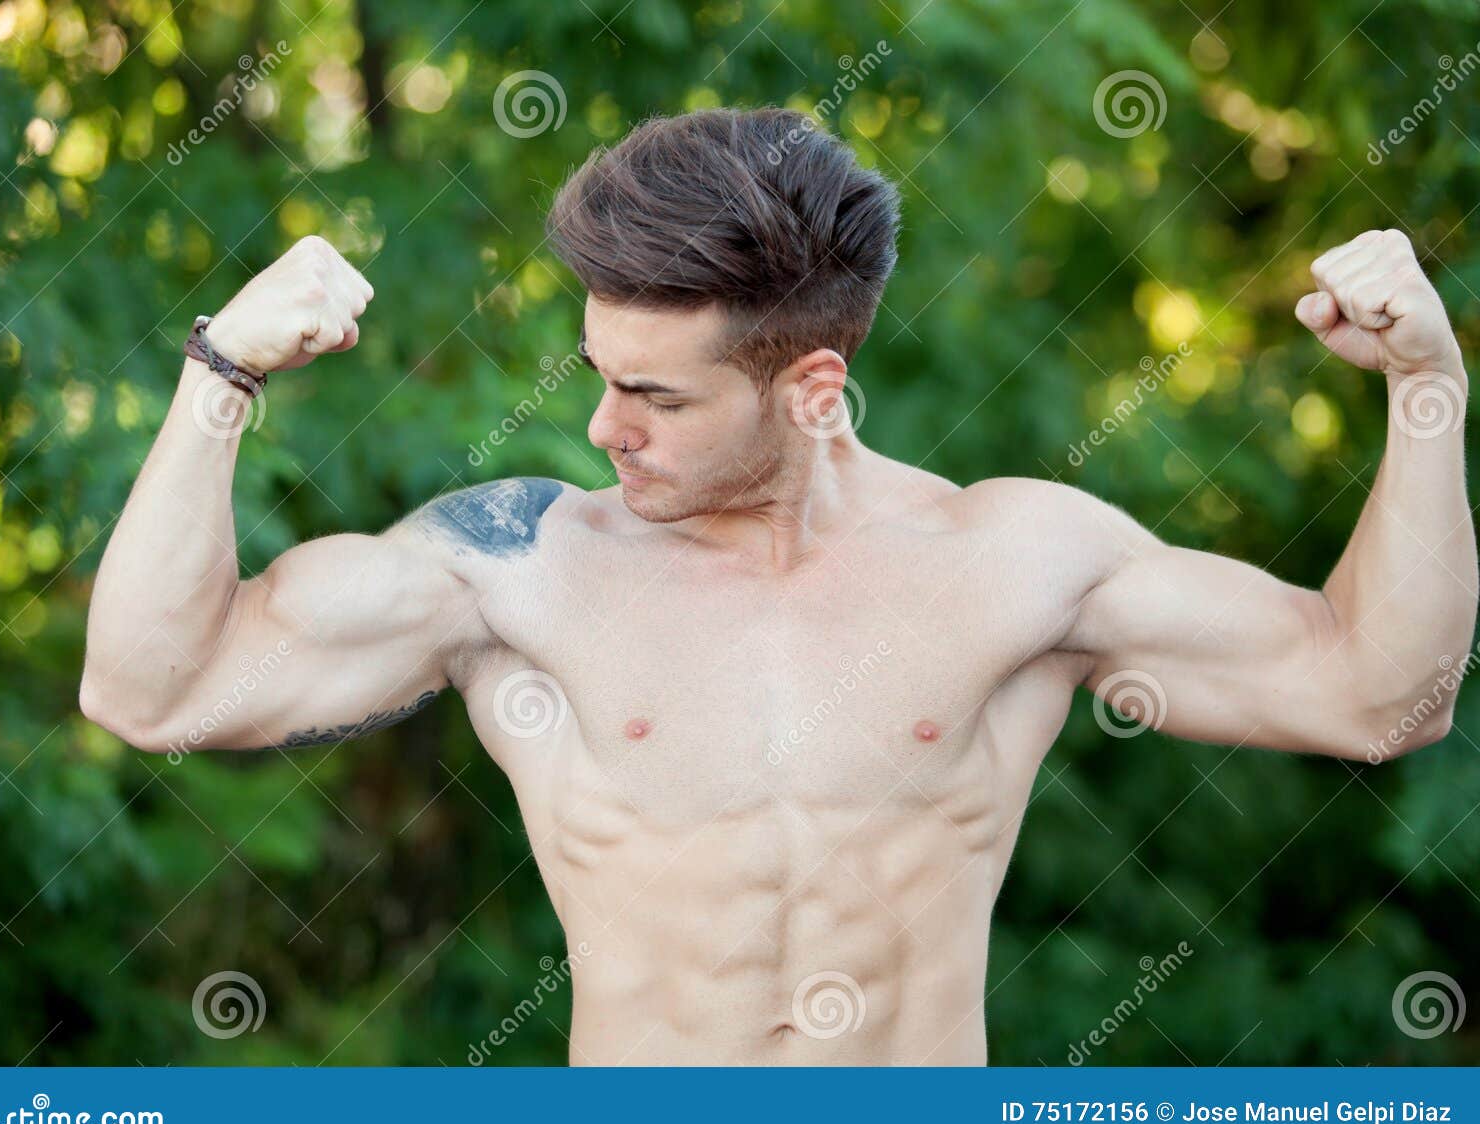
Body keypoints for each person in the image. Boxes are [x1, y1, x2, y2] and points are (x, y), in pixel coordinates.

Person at [79, 107, 1476, 1064]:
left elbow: (1380, 696)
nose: (602, 429)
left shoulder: (1015, 563)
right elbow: (155, 687)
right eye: (597, 376)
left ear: (812, 386)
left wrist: (1425, 388)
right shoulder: (516, 568)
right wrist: (223, 374)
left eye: (652, 395)